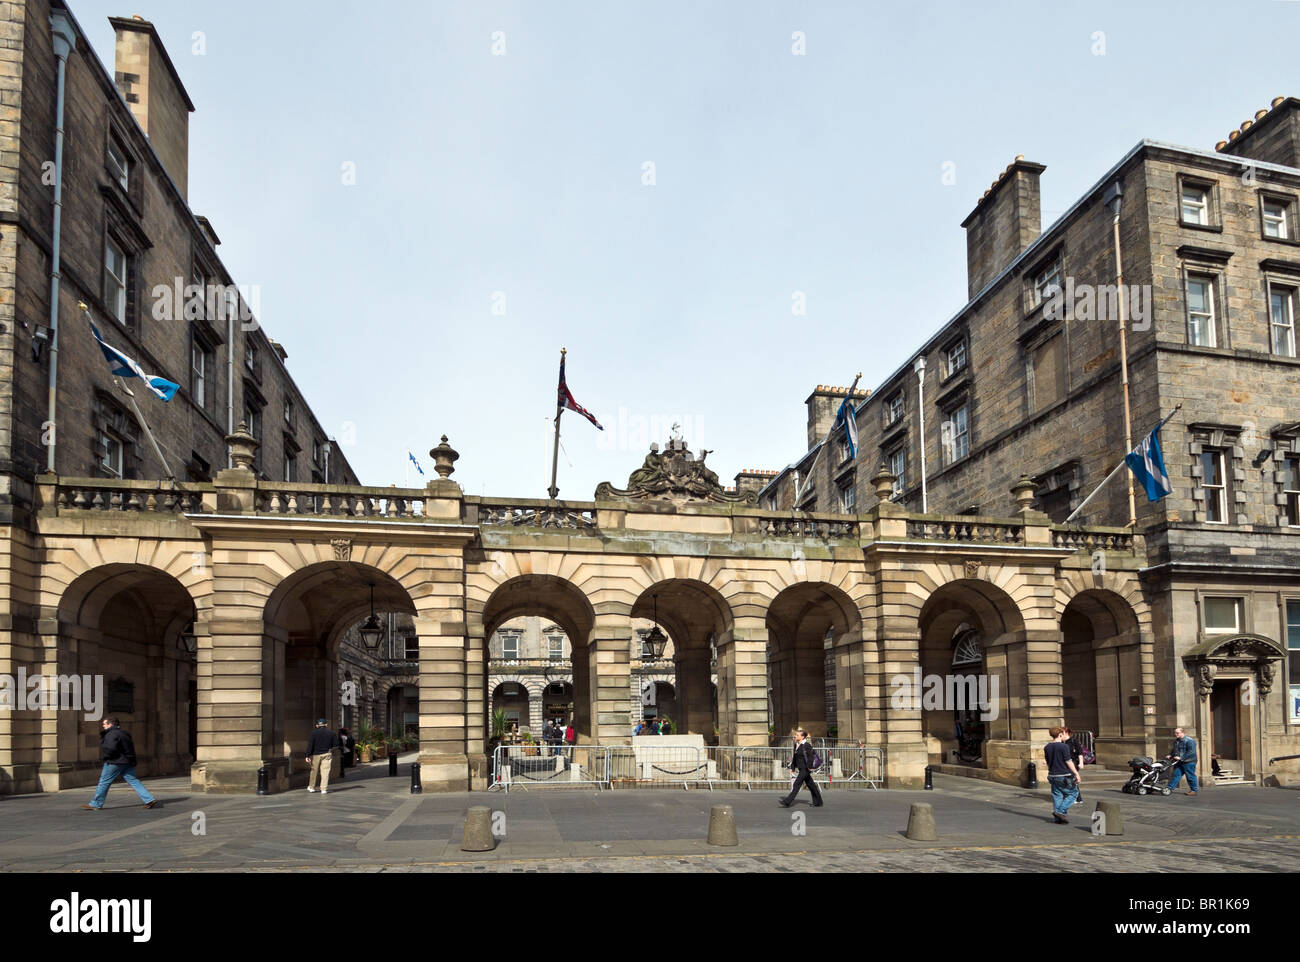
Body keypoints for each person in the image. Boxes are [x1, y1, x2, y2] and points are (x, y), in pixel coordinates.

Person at [81, 717, 159, 811]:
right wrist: (132, 760)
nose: (103, 726)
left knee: (104, 782)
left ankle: (96, 804)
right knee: (133, 780)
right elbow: (130, 748)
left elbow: (110, 748)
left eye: (104, 724)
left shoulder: (111, 734)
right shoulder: (124, 733)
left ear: (110, 724)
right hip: (127, 762)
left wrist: (106, 757)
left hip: (114, 762)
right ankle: (149, 799)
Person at [779, 728, 823, 808]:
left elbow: (810, 757)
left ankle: (787, 801)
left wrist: (809, 767)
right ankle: (818, 802)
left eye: (797, 735)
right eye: (795, 735)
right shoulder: (796, 744)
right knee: (811, 785)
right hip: (800, 768)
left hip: (806, 768)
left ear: (802, 737)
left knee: (797, 783)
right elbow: (795, 757)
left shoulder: (807, 745)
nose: (795, 736)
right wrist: (792, 768)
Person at [1044, 726, 1080, 823]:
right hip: (1063, 774)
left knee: (1057, 795)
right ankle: (1060, 812)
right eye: (1063, 733)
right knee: (1073, 793)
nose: (1064, 735)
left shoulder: (1047, 747)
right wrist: (1076, 773)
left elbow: (1048, 761)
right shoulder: (1064, 747)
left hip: (1052, 775)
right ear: (1060, 734)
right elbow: (1068, 761)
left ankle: (1058, 819)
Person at [306, 718, 339, 794]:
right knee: (325, 772)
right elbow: (336, 745)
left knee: (314, 771)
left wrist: (307, 755)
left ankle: (312, 787)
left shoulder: (313, 733)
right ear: (326, 725)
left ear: (317, 725)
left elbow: (310, 745)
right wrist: (330, 749)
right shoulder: (332, 733)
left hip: (316, 754)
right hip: (327, 753)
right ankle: (323, 789)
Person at [1167, 726, 1198, 795]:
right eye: (1175, 733)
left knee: (1190, 776)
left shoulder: (1189, 741)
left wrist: (1181, 758)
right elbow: (1174, 750)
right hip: (1179, 762)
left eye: (1177, 733)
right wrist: (1171, 755)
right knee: (1176, 775)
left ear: (1182, 733)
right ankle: (1169, 789)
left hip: (1189, 762)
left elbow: (1191, 752)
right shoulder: (1176, 741)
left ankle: (1194, 790)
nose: (1176, 734)